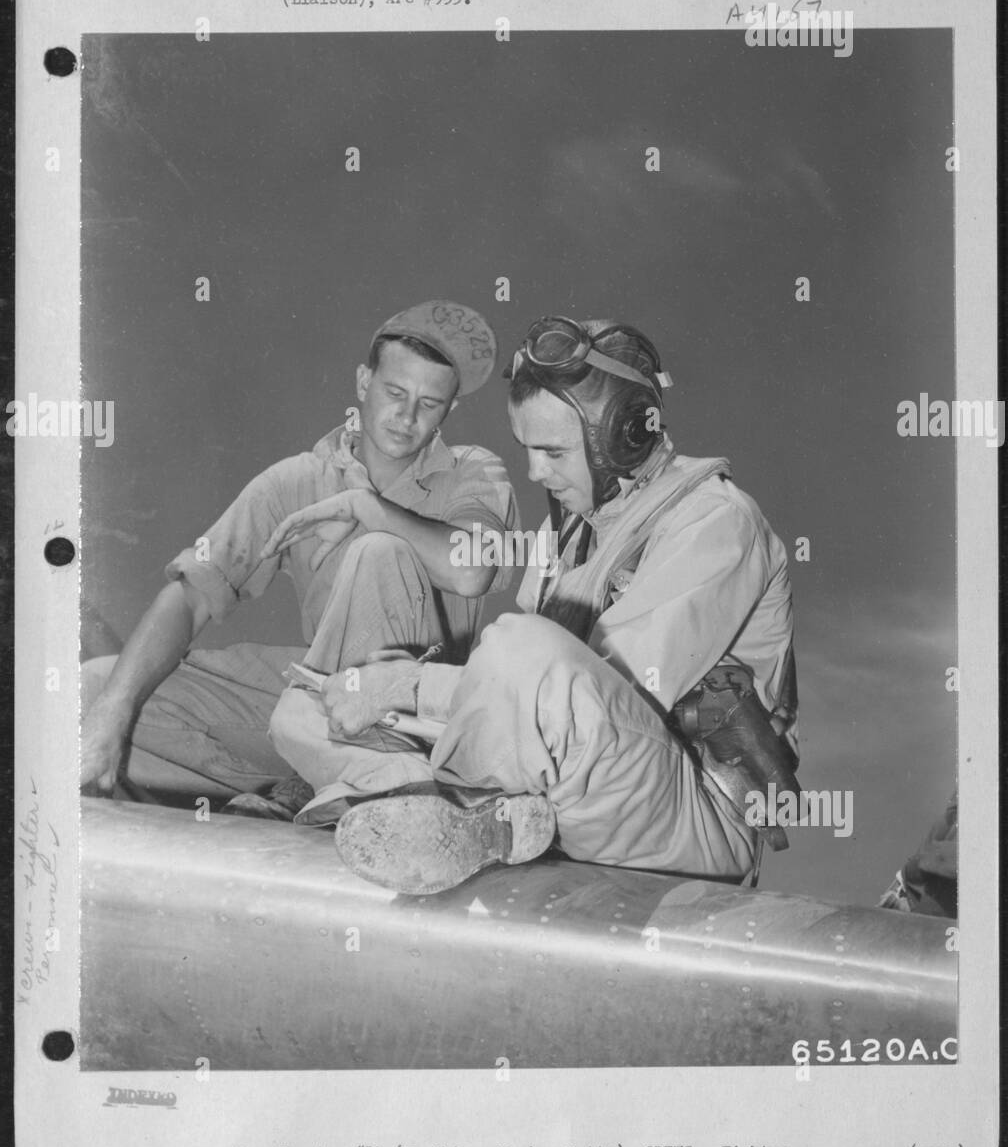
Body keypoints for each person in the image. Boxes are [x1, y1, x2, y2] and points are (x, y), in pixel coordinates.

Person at [271, 315, 800, 895]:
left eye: (552, 451)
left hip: (686, 818)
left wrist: (405, 688)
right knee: (298, 710)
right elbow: (512, 700)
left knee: (518, 645)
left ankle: (403, 795)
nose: (533, 471)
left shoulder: (716, 522)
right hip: (557, 790)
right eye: (527, 449)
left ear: (625, 435)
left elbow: (583, 693)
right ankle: (428, 804)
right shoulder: (566, 533)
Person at [80, 301, 518, 813]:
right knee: (94, 691)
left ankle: (378, 790)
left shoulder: (474, 473)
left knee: (379, 552)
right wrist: (112, 710)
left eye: (429, 403)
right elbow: (191, 598)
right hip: (313, 706)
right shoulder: (296, 480)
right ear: (363, 382)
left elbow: (471, 571)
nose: (406, 416)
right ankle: (317, 782)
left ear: (450, 410)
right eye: (395, 393)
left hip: (422, 716)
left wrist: (367, 508)